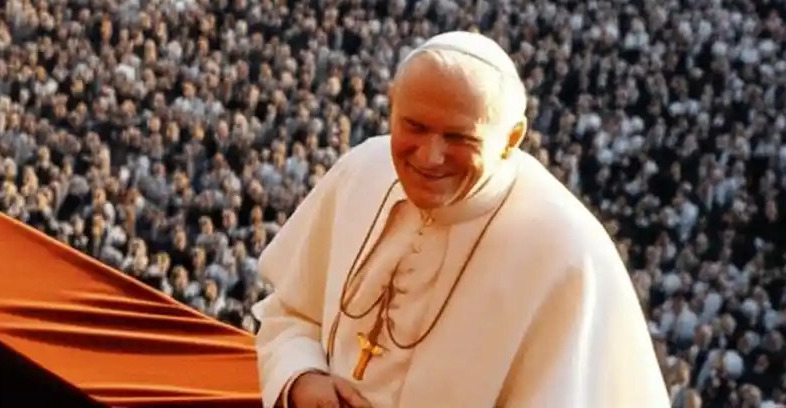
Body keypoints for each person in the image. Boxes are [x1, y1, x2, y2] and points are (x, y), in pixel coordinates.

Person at [252, 31, 668, 408]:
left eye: (459, 138)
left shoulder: (568, 253)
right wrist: (302, 378)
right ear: (392, 106)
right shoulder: (362, 172)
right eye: (413, 126)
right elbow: (290, 311)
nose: (430, 157)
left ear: (511, 139)